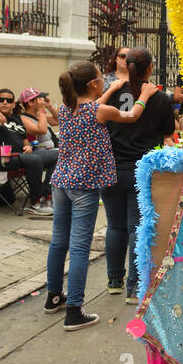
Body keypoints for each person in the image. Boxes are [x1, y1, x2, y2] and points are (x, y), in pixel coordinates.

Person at [45, 60, 156, 330]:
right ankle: (74, 311)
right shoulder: (100, 111)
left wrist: (113, 88)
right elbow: (131, 116)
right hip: (84, 188)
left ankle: (53, 297)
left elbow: (94, 107)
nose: (105, 84)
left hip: (60, 182)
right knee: (80, 247)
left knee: (59, 242)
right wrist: (145, 95)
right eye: (101, 81)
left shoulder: (66, 109)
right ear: (93, 84)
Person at [100, 47, 176, 302]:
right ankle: (134, 286)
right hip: (142, 170)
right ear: (150, 68)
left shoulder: (111, 94)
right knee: (137, 228)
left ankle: (114, 280)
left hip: (111, 167)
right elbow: (168, 132)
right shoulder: (159, 97)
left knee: (115, 225)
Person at [0, 87, 58, 215]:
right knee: (33, 159)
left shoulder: (17, 119)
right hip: (2, 158)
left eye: (9, 100)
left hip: (21, 155)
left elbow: (24, 141)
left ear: (13, 104)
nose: (5, 102)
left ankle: (46, 196)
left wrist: (28, 146)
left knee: (58, 154)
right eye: (1, 100)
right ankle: (35, 202)